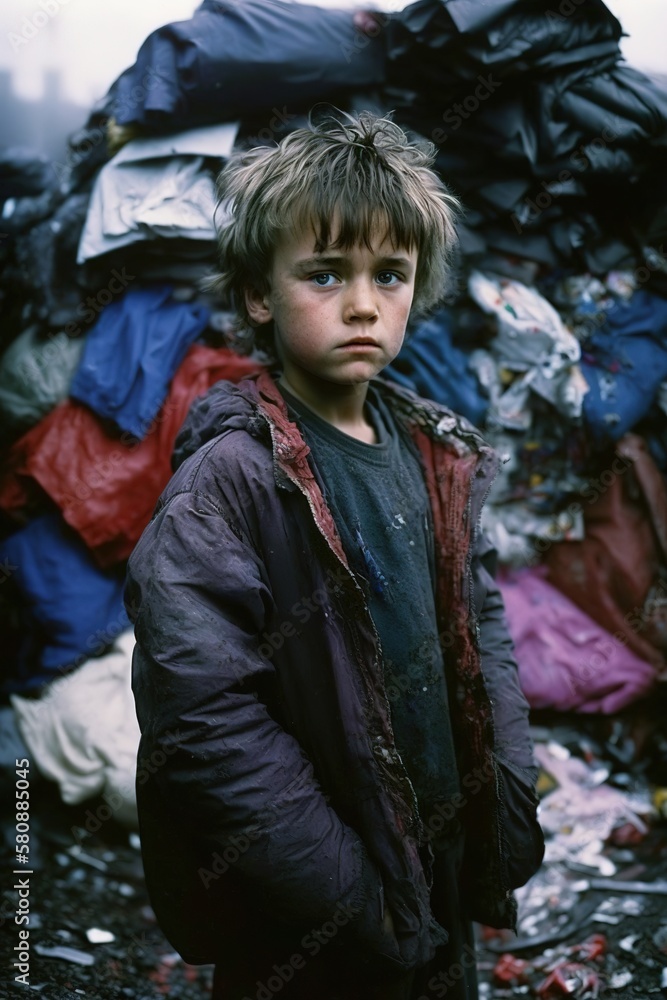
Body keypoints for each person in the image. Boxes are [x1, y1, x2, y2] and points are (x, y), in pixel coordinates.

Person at [125, 109, 544, 1000]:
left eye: (388, 274)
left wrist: (504, 801)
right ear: (257, 295)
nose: (362, 302)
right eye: (324, 273)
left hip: (429, 864)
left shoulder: (435, 455)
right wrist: (350, 894)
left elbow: (480, 622)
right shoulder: (228, 483)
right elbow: (202, 717)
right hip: (309, 907)